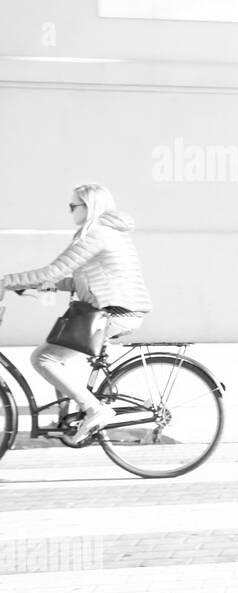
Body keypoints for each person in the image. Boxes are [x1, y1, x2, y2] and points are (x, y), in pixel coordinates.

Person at [0, 183, 152, 442]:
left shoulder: (96, 234)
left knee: (44, 358)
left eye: (73, 206)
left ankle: (95, 409)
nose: (69, 211)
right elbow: (74, 280)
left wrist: (6, 280)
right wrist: (33, 284)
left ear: (88, 206)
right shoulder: (105, 233)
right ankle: (68, 416)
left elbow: (53, 270)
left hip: (113, 313)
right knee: (57, 350)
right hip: (113, 310)